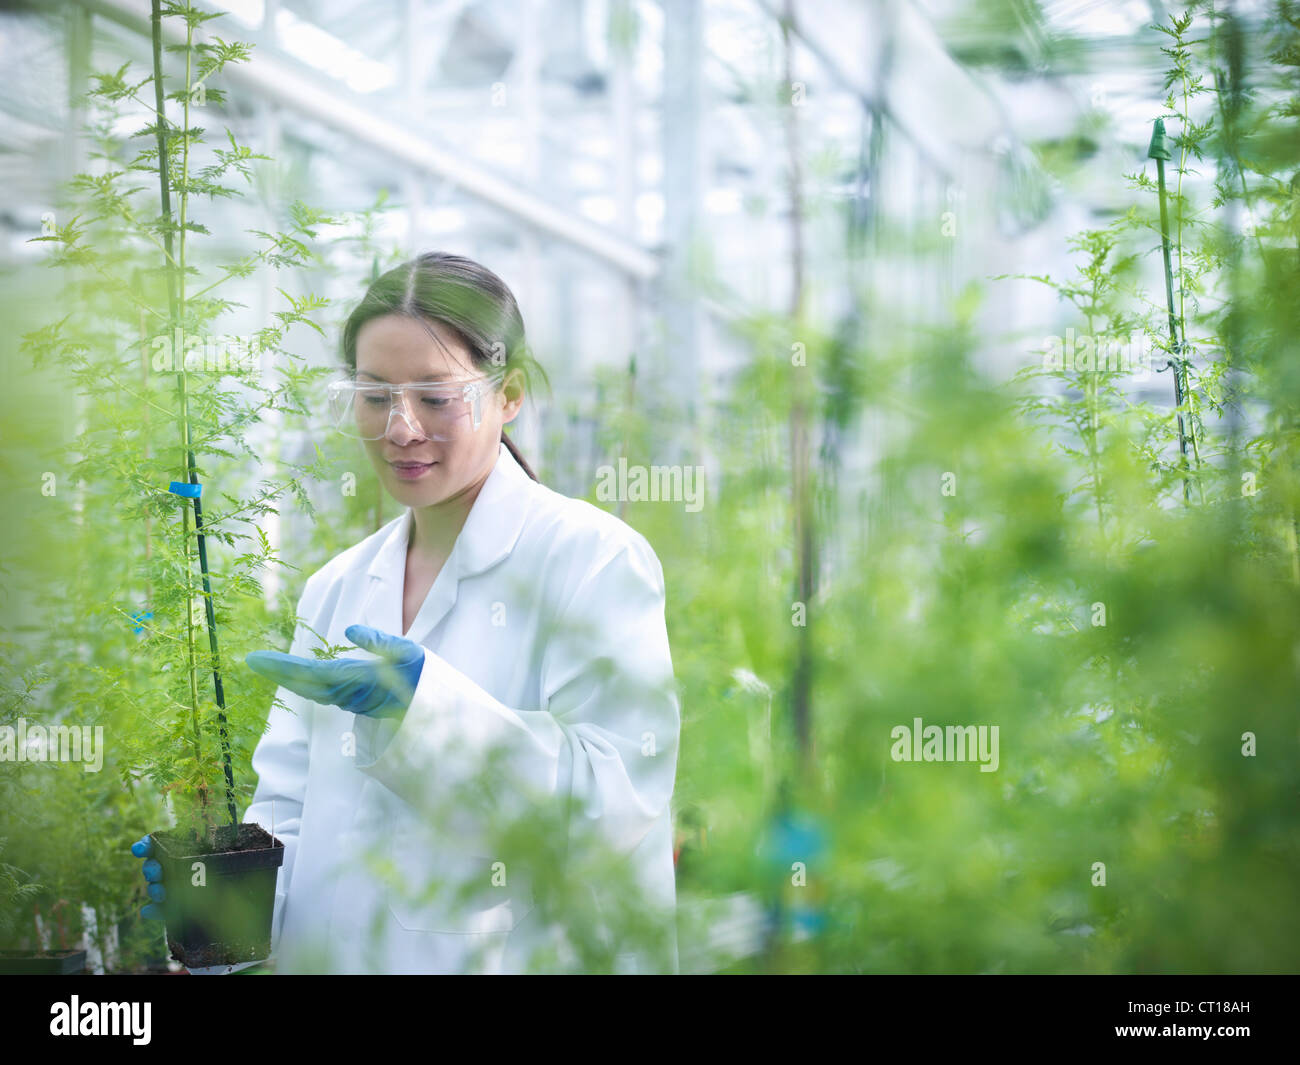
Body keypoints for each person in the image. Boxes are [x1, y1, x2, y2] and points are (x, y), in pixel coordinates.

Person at [133, 252, 681, 974]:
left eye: (435, 396)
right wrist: (227, 906)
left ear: (508, 394)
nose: (400, 428)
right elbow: (290, 811)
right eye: (375, 395)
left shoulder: (593, 561)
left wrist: (426, 713)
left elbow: (614, 804)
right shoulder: (336, 587)